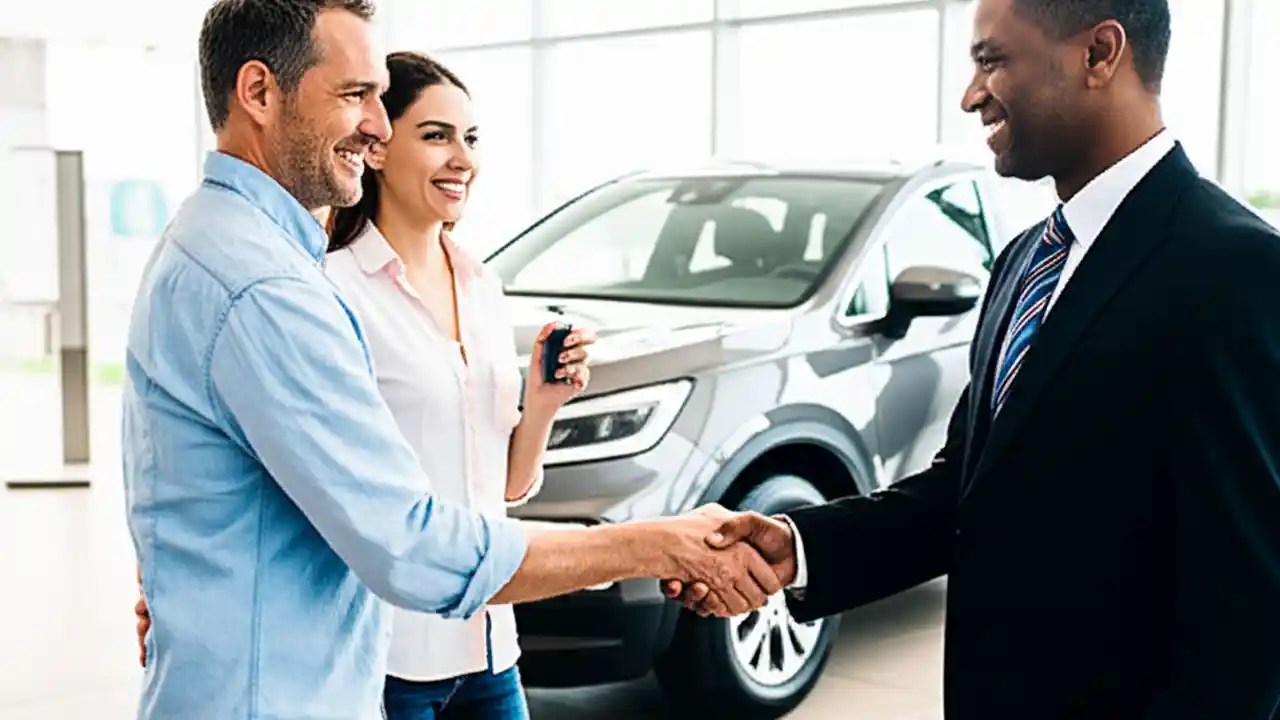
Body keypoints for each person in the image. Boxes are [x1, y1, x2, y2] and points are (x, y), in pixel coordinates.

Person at [122, 2, 781, 718]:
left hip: (382, 662)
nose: (375, 124)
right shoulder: (270, 288)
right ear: (258, 92)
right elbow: (413, 547)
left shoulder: (215, 244)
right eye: (355, 94)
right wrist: (659, 545)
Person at [668, 0, 1280, 717]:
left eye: (992, 60)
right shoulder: (1025, 261)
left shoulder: (1234, 268)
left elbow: (1249, 606)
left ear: (1099, 54)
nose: (970, 95)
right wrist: (799, 546)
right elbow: (965, 491)